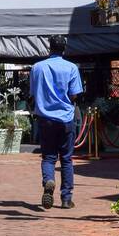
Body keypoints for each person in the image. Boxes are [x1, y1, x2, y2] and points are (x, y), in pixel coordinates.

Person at [30, 35, 83, 210]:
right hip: (66, 118)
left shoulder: (37, 68)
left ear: (49, 47)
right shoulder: (71, 68)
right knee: (66, 159)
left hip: (45, 118)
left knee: (49, 157)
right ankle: (66, 199)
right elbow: (75, 94)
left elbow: (32, 93)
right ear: (64, 49)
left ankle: (48, 180)